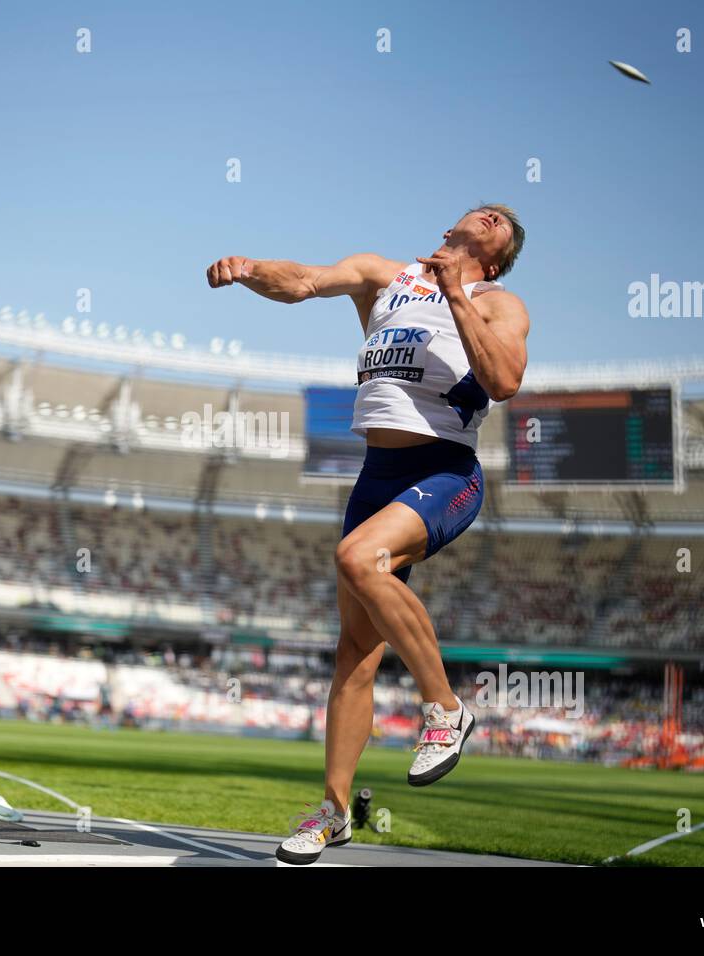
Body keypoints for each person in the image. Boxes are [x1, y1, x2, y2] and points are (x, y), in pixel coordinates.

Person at [206, 205, 529, 864]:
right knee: (353, 656)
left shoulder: (500, 302)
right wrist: (249, 270)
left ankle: (444, 708)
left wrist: (459, 295)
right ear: (449, 227)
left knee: (358, 557)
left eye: (503, 223)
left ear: (494, 258)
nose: (495, 212)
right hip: (376, 477)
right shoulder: (384, 275)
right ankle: (333, 811)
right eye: (485, 208)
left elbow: (504, 380)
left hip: (444, 472)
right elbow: (301, 281)